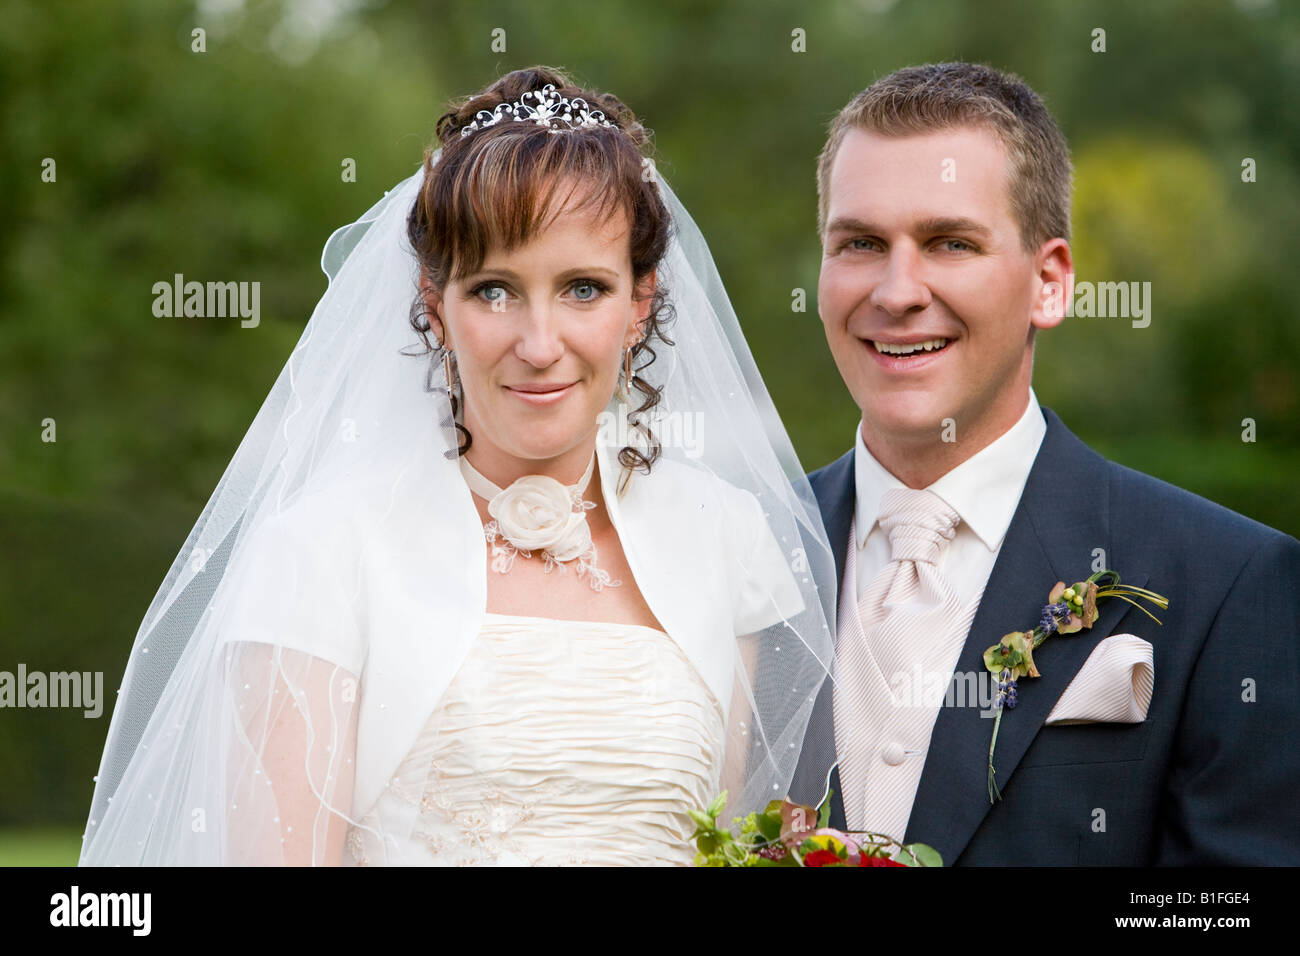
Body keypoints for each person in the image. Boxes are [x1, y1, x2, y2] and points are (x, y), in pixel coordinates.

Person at [79, 66, 836, 866]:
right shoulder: (323, 551)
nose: (540, 346)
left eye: (583, 288)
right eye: (496, 291)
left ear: (640, 301)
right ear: (436, 304)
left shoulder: (725, 538)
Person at [789, 62, 1300, 865]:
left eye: (949, 242)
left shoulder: (1230, 584)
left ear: (1050, 283)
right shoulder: (739, 554)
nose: (896, 290)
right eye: (859, 243)